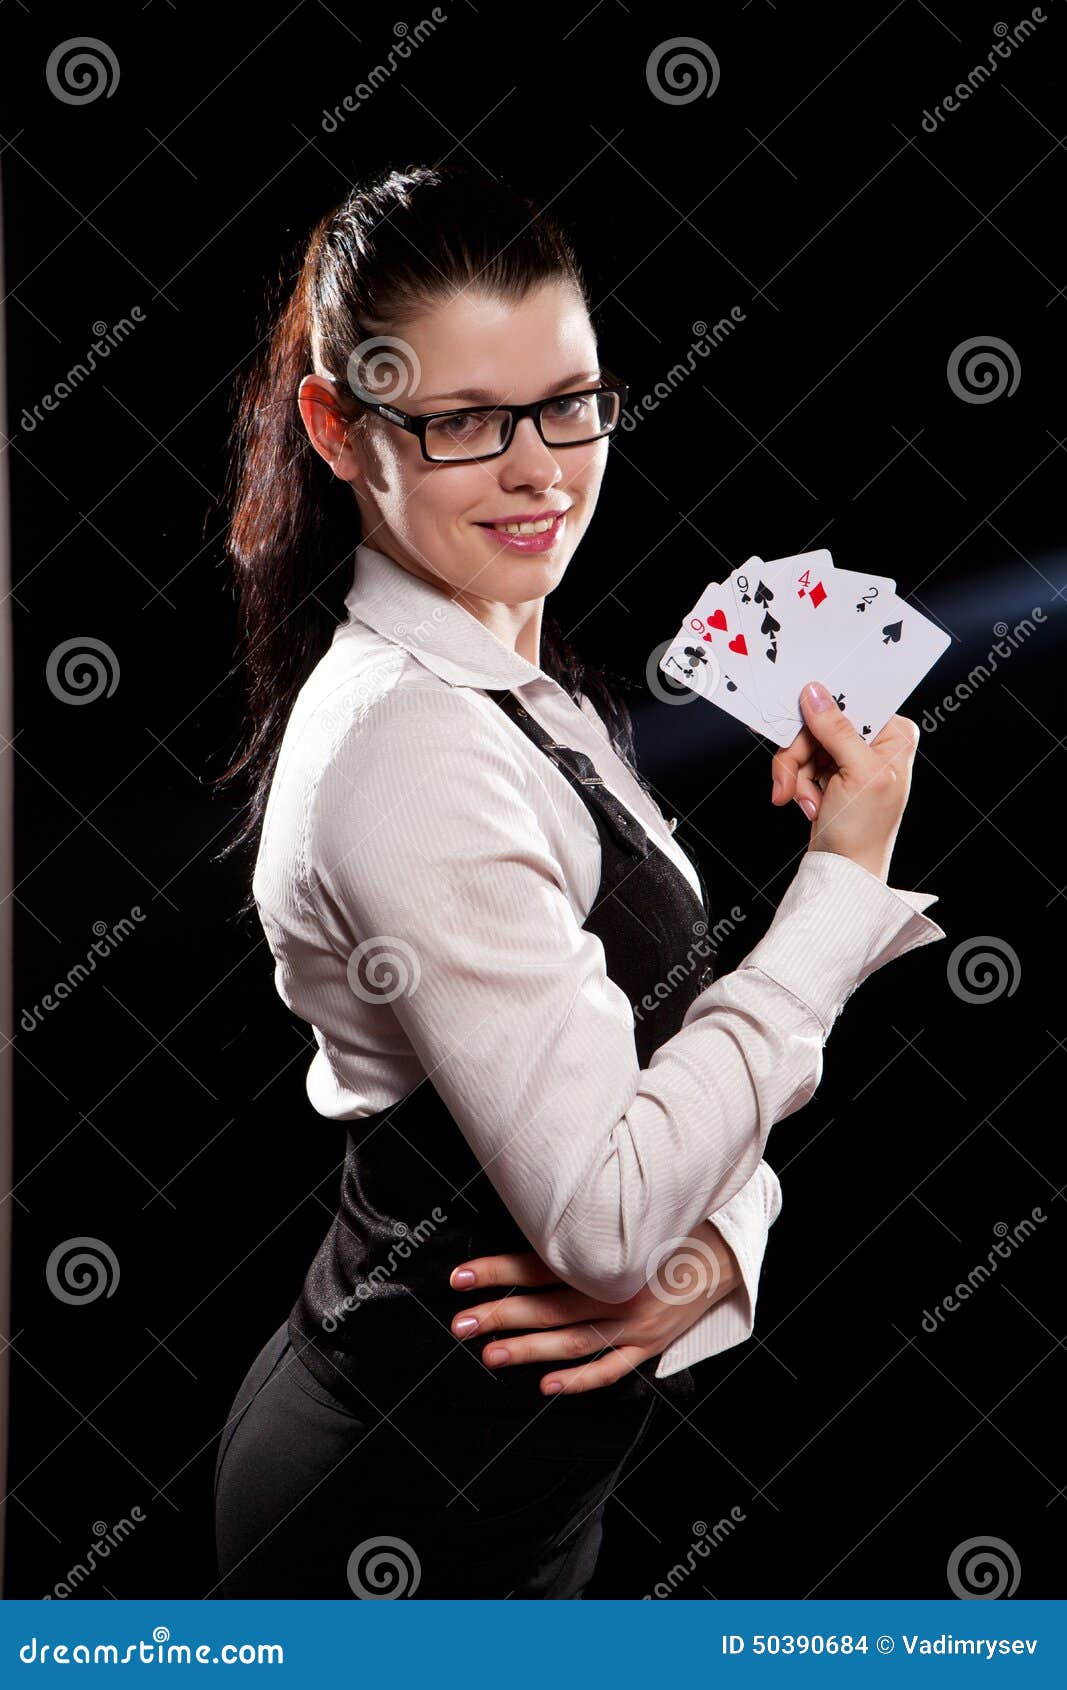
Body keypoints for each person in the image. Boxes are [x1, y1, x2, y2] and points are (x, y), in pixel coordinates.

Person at [210, 162, 946, 1599]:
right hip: (397, 1514)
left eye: (569, 399)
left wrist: (719, 1249)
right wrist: (845, 874)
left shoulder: (520, 684)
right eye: (467, 421)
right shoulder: (405, 745)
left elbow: (658, 1124)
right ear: (341, 431)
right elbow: (608, 1216)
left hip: (507, 1493)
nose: (542, 466)